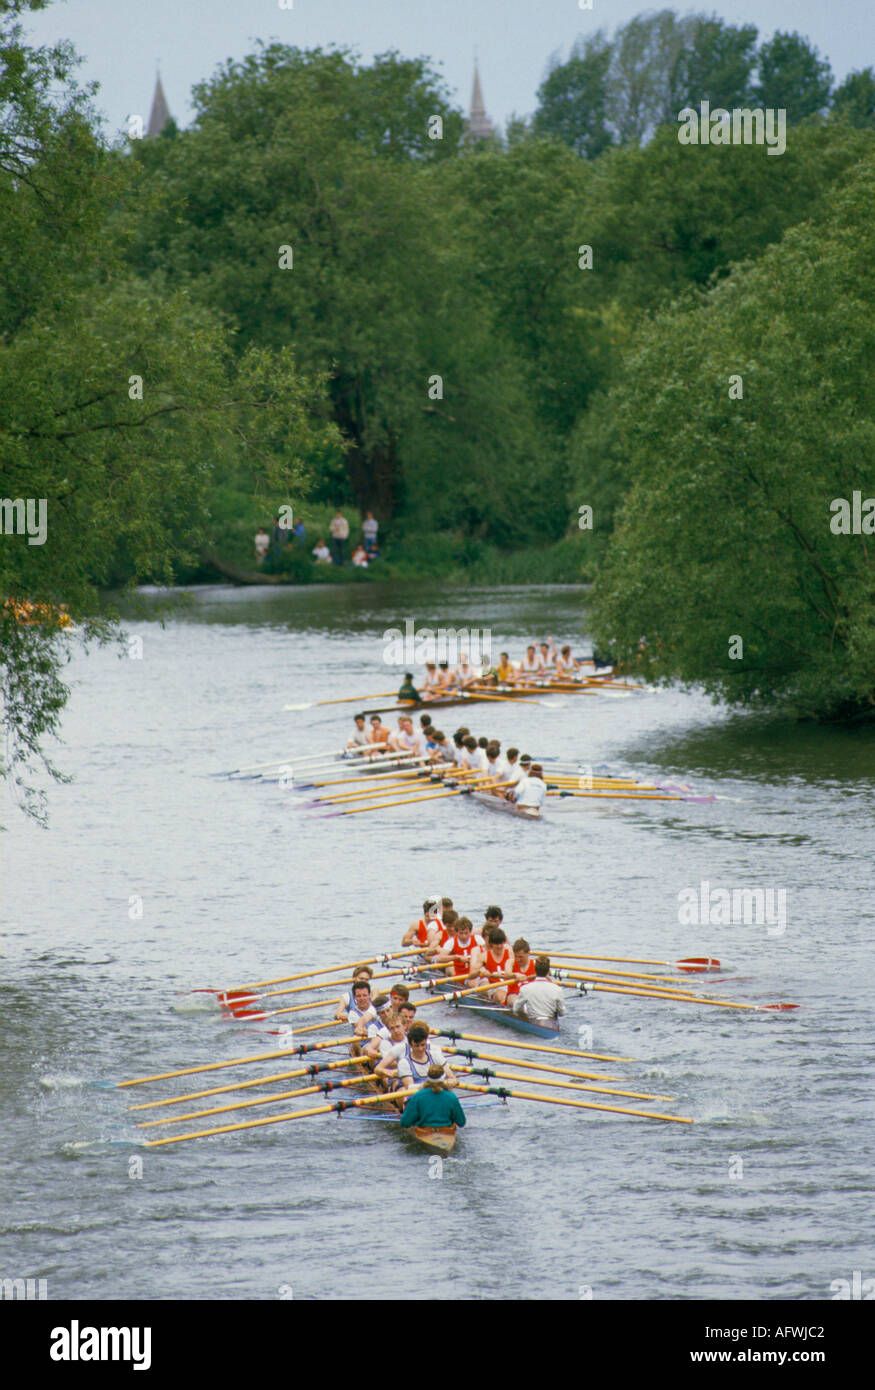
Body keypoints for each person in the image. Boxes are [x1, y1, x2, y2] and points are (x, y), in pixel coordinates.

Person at [398, 1064, 467, 1134]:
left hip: (424, 1131)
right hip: (446, 1131)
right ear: (443, 1078)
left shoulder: (417, 1096)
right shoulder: (452, 1097)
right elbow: (461, 1122)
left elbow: (405, 1123)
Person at [512, 955, 566, 1024]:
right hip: (551, 1024)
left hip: (533, 1022)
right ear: (548, 971)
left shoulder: (525, 989)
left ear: (535, 970)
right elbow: (562, 1013)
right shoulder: (558, 989)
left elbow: (516, 1009)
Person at [498, 938, 536, 1006]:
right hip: (514, 995)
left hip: (530, 996)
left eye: (521, 957)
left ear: (528, 953)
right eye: (516, 956)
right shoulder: (511, 962)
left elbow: (546, 975)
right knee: (514, 999)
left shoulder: (535, 964)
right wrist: (515, 975)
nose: (518, 959)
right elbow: (507, 974)